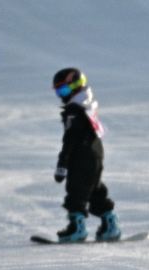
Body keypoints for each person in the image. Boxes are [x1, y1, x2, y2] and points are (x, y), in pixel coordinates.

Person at [51, 68, 121, 242]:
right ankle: (110, 225)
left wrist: (63, 163)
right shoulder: (87, 105)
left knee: (76, 190)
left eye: (64, 90)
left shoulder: (74, 111)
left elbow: (70, 139)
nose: (61, 95)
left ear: (76, 86)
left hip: (81, 155)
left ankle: (77, 228)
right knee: (94, 189)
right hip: (96, 153)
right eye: (59, 91)